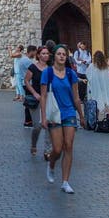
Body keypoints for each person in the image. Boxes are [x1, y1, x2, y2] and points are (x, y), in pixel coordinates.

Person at [41, 43, 85, 193]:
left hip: (69, 113)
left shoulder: (71, 73)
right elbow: (43, 96)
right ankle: (51, 163)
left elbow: (76, 97)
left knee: (69, 145)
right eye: (59, 54)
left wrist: (82, 115)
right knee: (57, 149)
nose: (61, 56)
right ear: (55, 56)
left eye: (64, 54)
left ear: (66, 57)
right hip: (54, 113)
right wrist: (44, 117)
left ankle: (65, 181)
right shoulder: (48, 73)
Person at [24, 45, 50, 156]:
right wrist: (34, 93)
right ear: (38, 55)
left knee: (48, 124)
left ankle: (47, 150)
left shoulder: (50, 69)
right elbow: (26, 81)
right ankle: (34, 144)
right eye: (43, 53)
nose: (45, 55)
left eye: (47, 53)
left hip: (48, 98)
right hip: (36, 99)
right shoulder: (33, 67)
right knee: (37, 126)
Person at [86, 50, 109, 118]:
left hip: (95, 89)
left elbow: (88, 76)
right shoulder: (105, 67)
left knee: (95, 102)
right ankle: (108, 117)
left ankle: (95, 118)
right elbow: (107, 80)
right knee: (106, 101)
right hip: (104, 88)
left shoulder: (92, 66)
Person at [19, 45, 37, 127]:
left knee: (28, 102)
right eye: (35, 52)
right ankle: (28, 120)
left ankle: (28, 120)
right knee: (30, 102)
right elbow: (35, 70)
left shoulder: (22, 59)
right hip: (28, 83)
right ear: (32, 51)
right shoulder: (27, 61)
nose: (35, 54)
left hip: (24, 82)